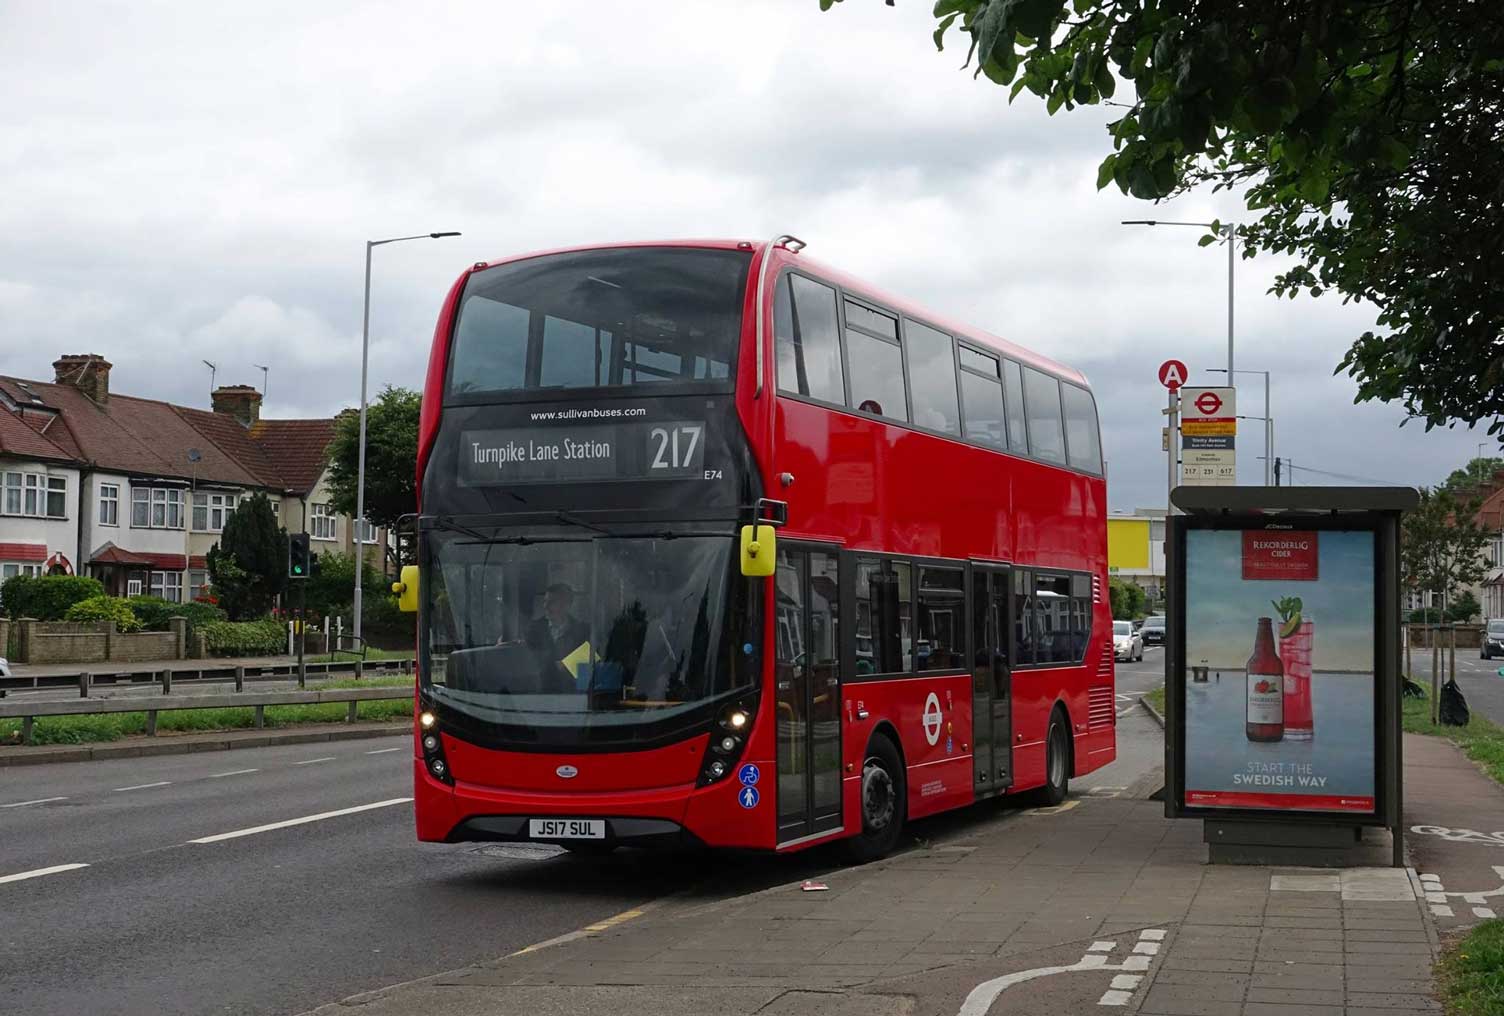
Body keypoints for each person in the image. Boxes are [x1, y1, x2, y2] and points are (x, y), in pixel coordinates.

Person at [525, 583, 590, 662]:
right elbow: (529, 663)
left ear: (566, 605)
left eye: (552, 602)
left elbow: (586, 665)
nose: (545, 606)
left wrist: (567, 665)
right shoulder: (533, 630)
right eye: (545, 601)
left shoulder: (583, 631)